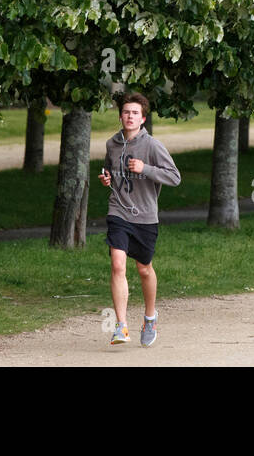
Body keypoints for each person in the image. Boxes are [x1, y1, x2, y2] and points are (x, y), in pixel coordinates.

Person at [99, 92, 180, 347]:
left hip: (145, 215)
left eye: (135, 113)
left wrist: (145, 168)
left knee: (144, 269)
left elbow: (174, 177)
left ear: (142, 118)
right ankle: (121, 326)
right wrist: (107, 179)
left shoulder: (152, 146)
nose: (129, 116)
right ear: (120, 116)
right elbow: (109, 170)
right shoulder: (112, 144)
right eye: (126, 112)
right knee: (118, 265)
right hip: (118, 211)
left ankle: (150, 317)